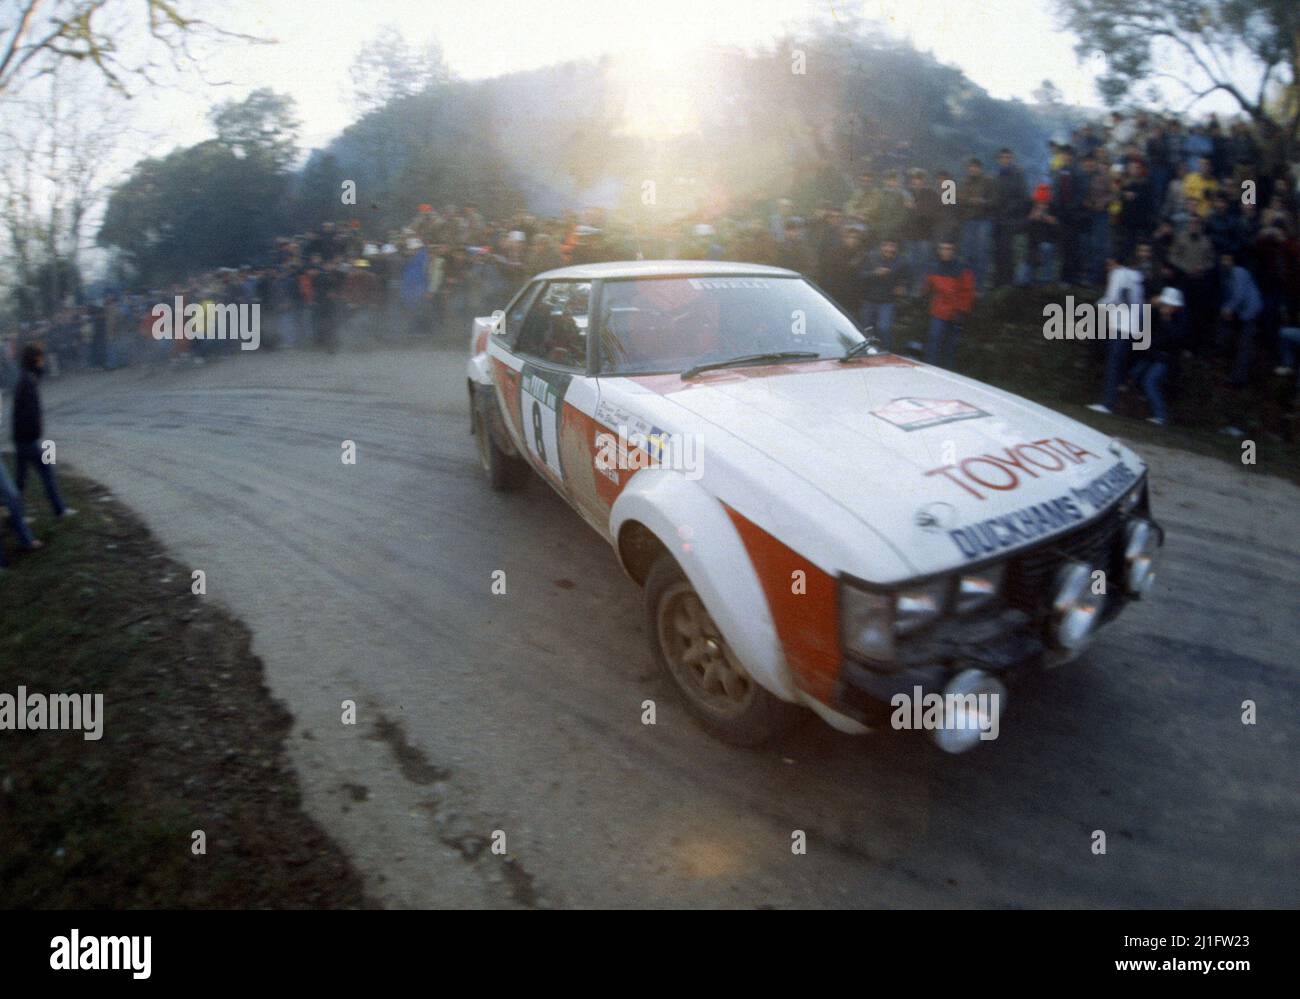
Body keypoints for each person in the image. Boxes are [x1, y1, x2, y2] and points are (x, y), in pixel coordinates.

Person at [11, 343, 73, 520]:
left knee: (20, 481)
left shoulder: (26, 378)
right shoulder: (27, 382)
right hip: (27, 438)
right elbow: (28, 413)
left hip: (21, 437)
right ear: (34, 359)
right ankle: (59, 510)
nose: (43, 361)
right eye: (40, 358)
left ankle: (16, 515)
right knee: (46, 470)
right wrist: (34, 432)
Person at [1086, 255, 1146, 416]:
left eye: (1109, 264)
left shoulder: (1118, 274)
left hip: (1120, 326)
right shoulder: (1136, 278)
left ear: (1116, 263)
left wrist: (1096, 306)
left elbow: (1113, 298)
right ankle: (1112, 401)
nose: (1107, 268)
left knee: (1113, 366)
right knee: (1118, 365)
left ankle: (1107, 404)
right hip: (1132, 327)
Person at [1128, 287, 1188, 426]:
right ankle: (1144, 403)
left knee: (1150, 382)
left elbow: (1175, 339)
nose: (1164, 307)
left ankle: (1160, 416)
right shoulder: (1157, 314)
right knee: (1135, 374)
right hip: (1153, 355)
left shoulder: (1180, 319)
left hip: (1166, 358)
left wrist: (1166, 320)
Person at [922, 241, 975, 369]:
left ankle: (949, 373)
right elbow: (925, 288)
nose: (945, 251)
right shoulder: (932, 267)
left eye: (949, 249)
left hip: (956, 312)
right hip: (938, 312)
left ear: (954, 250)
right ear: (938, 250)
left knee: (951, 346)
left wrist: (961, 311)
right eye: (942, 248)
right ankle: (930, 371)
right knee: (934, 342)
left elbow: (968, 292)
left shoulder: (963, 268)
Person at [858, 239, 909, 351]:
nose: (889, 249)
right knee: (865, 329)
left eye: (892, 246)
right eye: (886, 246)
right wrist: (874, 273)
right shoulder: (871, 258)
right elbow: (861, 276)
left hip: (887, 301)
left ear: (896, 248)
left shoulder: (901, 262)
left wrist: (902, 286)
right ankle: (864, 352)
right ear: (881, 246)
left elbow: (905, 279)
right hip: (869, 299)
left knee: (884, 328)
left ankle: (885, 352)